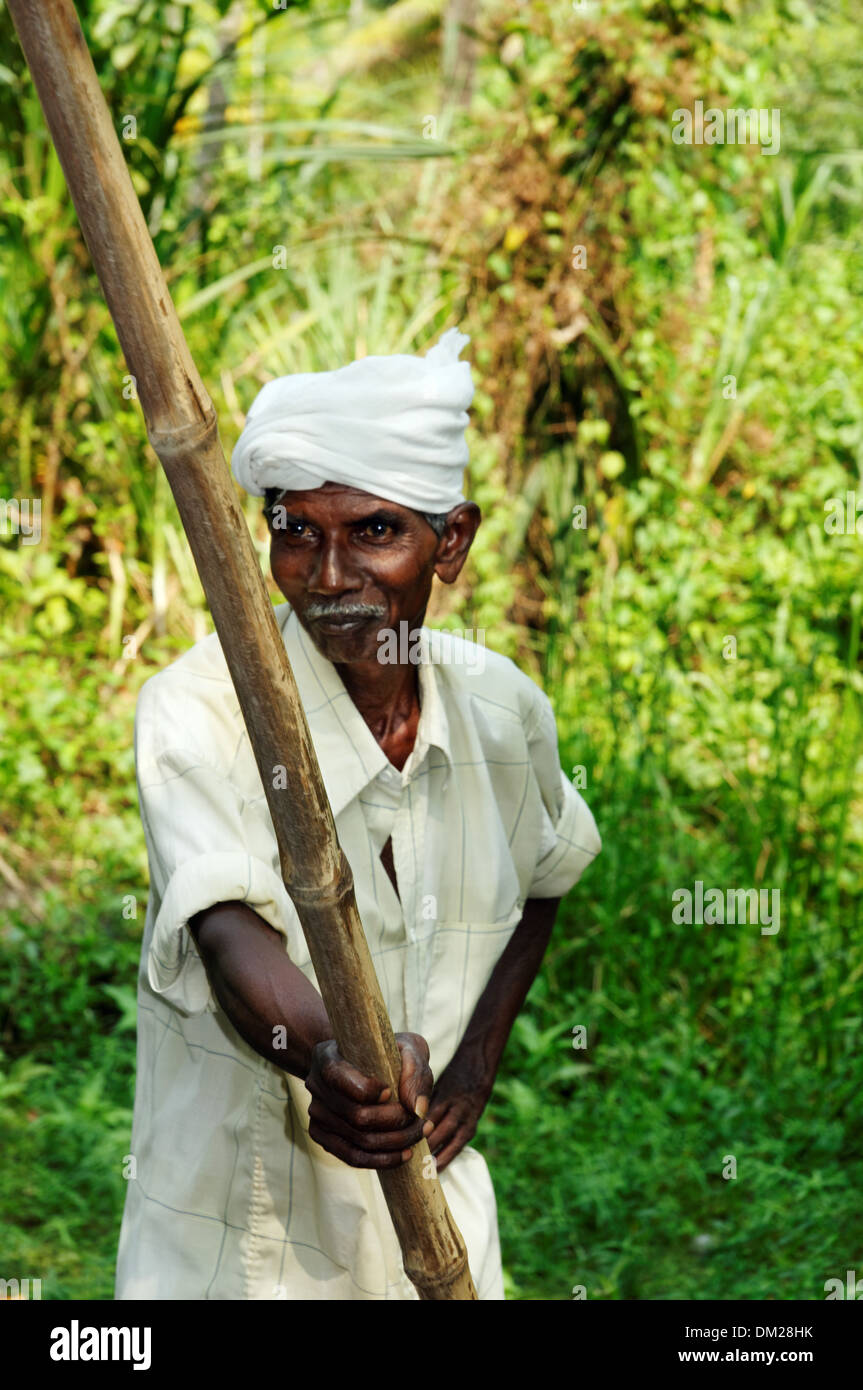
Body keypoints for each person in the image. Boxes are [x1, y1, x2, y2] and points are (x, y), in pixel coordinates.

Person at [114, 327, 601, 1300]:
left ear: (450, 541)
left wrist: (471, 1066)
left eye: (373, 530)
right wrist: (335, 1052)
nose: (327, 576)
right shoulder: (200, 708)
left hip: (432, 1220)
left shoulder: (505, 714)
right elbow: (226, 937)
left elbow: (549, 872)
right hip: (240, 1240)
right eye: (295, 530)